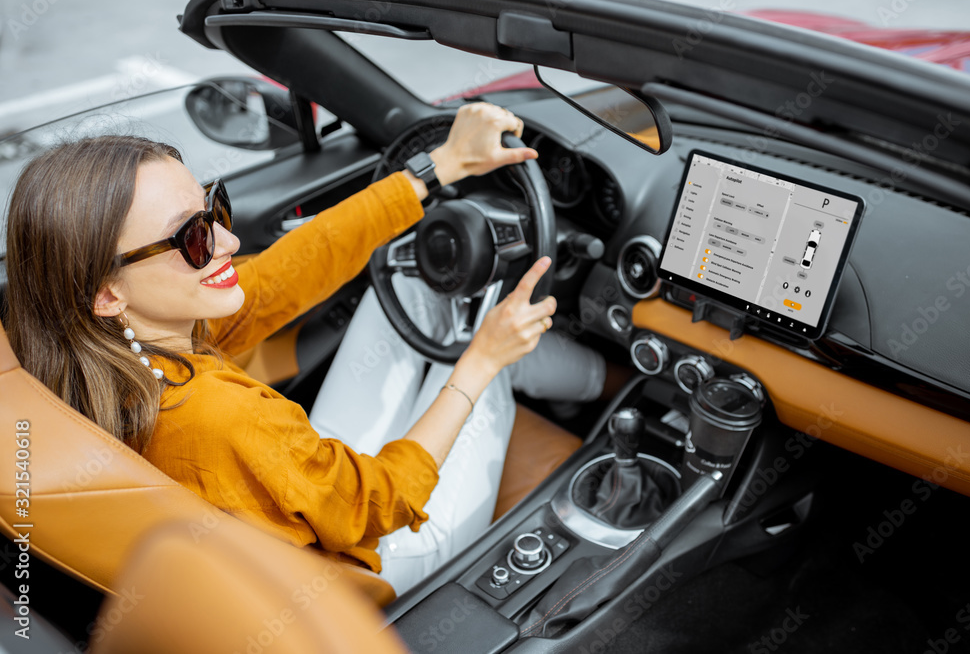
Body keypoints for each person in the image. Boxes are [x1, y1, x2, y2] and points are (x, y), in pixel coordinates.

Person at [4, 103, 607, 594]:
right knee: (487, 363)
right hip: (373, 566)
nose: (227, 241)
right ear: (107, 293)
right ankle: (610, 387)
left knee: (408, 286)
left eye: (214, 208)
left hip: (303, 501)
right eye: (192, 238)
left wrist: (438, 167)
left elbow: (290, 273)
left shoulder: (107, 354)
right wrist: (482, 361)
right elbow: (379, 503)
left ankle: (582, 378)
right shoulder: (220, 416)